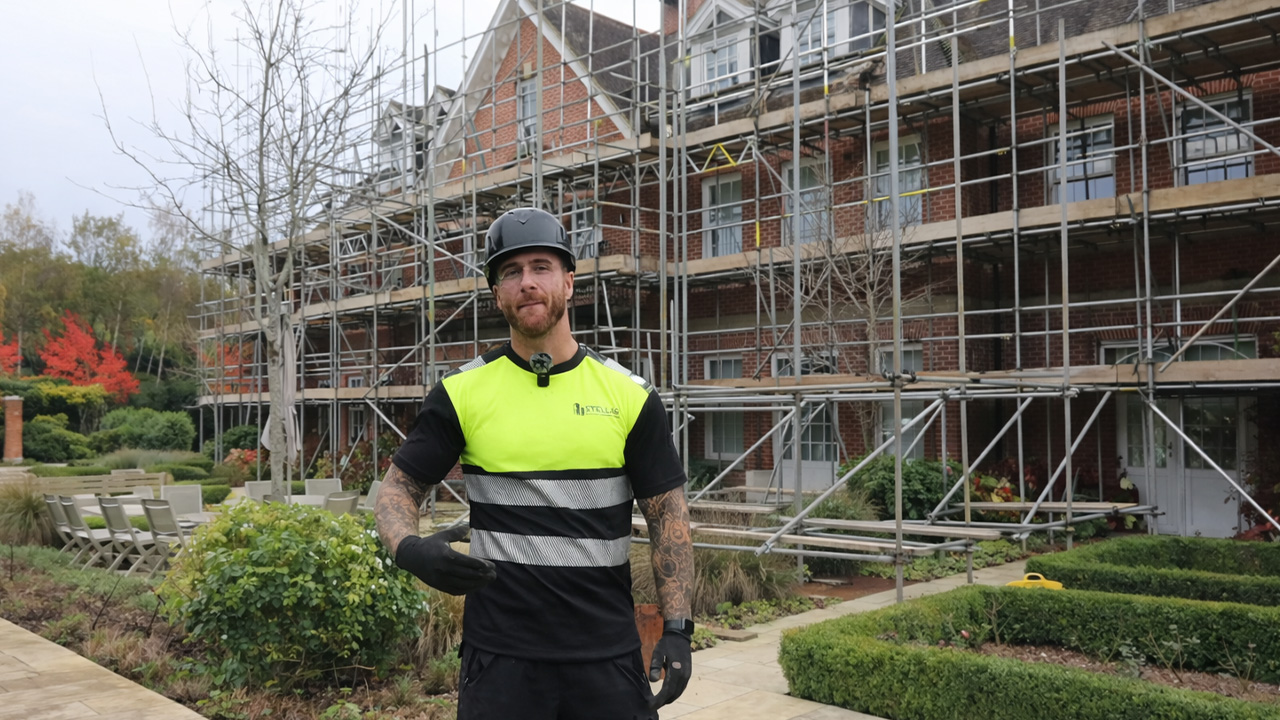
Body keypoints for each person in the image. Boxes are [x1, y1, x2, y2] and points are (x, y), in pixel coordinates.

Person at [375, 207, 695, 720]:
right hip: (500, 662)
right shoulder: (461, 394)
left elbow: (668, 515)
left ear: (569, 283)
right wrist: (408, 548)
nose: (527, 282)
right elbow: (398, 489)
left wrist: (677, 629)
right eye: (511, 272)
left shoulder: (630, 396)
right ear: (497, 292)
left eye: (541, 267)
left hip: (606, 658)